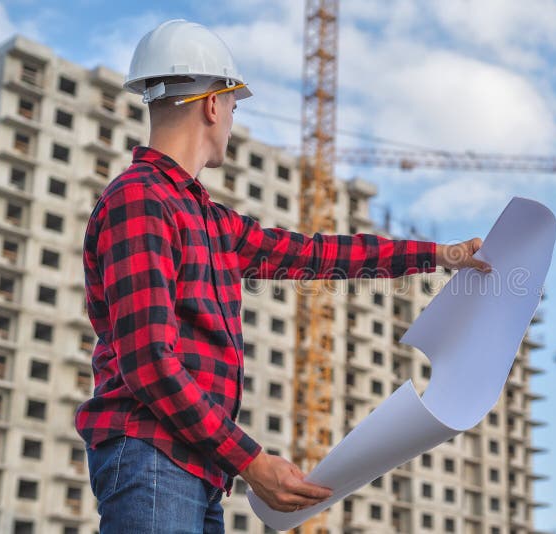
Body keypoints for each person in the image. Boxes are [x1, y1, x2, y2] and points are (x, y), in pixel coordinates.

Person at [75, 19, 491, 533]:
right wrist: (251, 461)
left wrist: (438, 255)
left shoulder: (207, 219)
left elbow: (317, 255)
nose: (230, 117)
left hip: (196, 468)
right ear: (212, 104)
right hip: (154, 459)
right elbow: (149, 363)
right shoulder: (141, 201)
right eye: (233, 105)